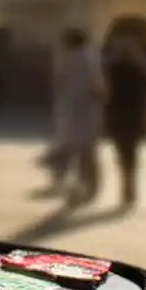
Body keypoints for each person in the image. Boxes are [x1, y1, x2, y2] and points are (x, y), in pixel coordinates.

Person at [48, 29, 105, 202]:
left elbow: (59, 83)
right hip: (85, 110)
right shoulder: (89, 58)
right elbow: (97, 84)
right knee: (86, 152)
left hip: (71, 109)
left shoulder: (67, 59)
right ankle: (88, 186)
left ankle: (69, 182)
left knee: (69, 148)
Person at [104, 34, 146, 207]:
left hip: (117, 114)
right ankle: (130, 184)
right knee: (132, 151)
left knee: (122, 150)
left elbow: (107, 91)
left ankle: (126, 182)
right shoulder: (142, 70)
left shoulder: (113, 69)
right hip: (135, 115)